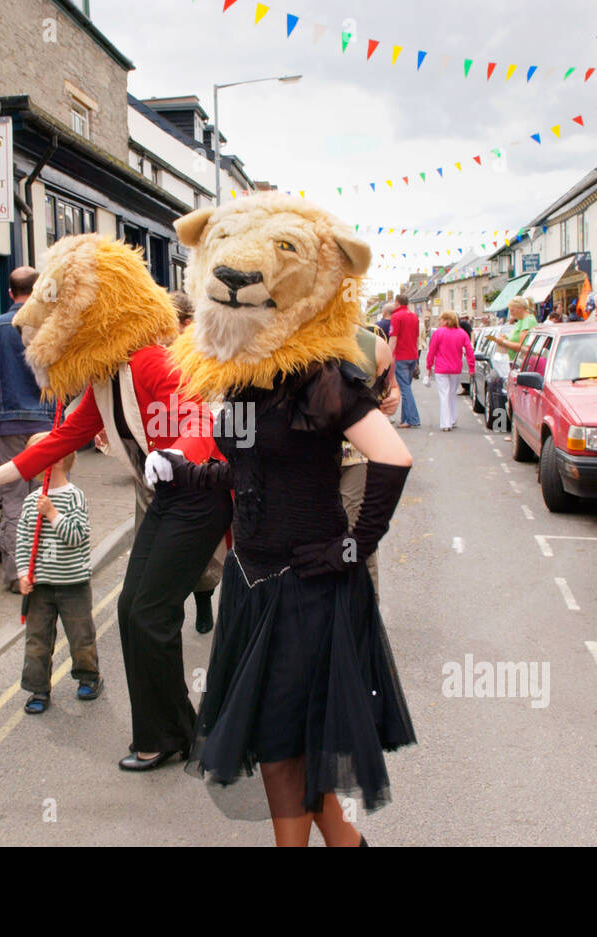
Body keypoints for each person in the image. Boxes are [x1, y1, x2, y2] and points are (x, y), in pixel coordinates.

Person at [160, 193, 415, 847]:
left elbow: (394, 455)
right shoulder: (244, 380)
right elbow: (245, 476)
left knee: (280, 742)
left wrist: (355, 548)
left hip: (310, 584)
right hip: (251, 583)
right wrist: (185, 473)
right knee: (289, 741)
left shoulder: (320, 378)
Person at [0, 235, 229, 773]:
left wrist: (174, 451)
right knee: (132, 610)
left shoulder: (148, 359)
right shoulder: (106, 374)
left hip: (198, 493)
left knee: (149, 612)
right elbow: (60, 439)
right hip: (169, 494)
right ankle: (171, 732)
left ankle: (175, 735)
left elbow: (197, 414)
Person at [0, 266, 54, 594]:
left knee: (13, 499)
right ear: (40, 288)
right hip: (45, 426)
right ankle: (45, 569)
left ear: (9, 292)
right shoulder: (49, 328)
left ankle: (18, 576)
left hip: (7, 426)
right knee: (45, 495)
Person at [15, 433, 101, 714]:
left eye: (39, 455)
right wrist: (23, 574)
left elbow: (77, 536)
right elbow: (25, 541)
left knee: (80, 636)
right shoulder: (31, 501)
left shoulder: (75, 497)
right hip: (41, 585)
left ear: (60, 459)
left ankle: (88, 677)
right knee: (37, 639)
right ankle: (38, 688)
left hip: (73, 583)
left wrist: (52, 514)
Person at [167, 291, 218, 635]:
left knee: (201, 547)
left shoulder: (206, 356)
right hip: (163, 455)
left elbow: (215, 411)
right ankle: (170, 610)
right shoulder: (158, 355)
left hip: (200, 458)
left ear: (187, 324)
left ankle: (203, 600)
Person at [340, 324, 400, 595]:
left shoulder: (373, 344)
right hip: (307, 463)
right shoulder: (295, 336)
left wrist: (393, 397)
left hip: (354, 458)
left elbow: (391, 389)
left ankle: (365, 618)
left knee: (355, 541)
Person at [427, 311, 476, 431]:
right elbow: (469, 351)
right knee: (452, 393)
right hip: (456, 368)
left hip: (441, 368)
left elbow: (432, 351)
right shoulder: (462, 333)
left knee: (444, 395)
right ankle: (453, 418)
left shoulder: (438, 333)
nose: (440, 322)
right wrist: (471, 367)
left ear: (446, 320)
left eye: (441, 319)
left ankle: (445, 423)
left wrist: (429, 366)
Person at [388, 294, 421, 428]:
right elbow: (417, 338)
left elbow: (393, 338)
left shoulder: (396, 316)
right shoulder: (414, 316)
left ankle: (412, 419)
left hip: (401, 356)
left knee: (405, 389)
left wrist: (388, 356)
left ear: (397, 303)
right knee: (407, 387)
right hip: (412, 355)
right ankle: (405, 419)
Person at [490, 296, 537, 362]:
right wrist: (506, 337)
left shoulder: (528, 321)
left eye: (512, 310)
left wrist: (503, 342)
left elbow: (522, 347)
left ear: (520, 308)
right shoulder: (521, 320)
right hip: (515, 361)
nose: (511, 313)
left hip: (521, 362)